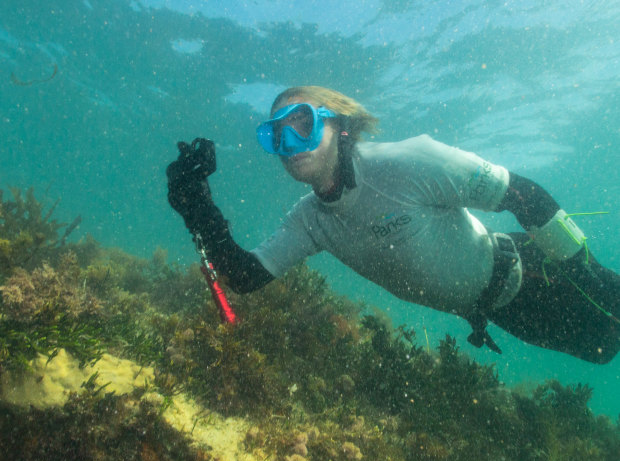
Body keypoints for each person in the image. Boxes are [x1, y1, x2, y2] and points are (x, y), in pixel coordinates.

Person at [166, 85, 620, 364]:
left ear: (341, 127)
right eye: (277, 135)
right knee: (602, 352)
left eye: (302, 124)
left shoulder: (410, 162)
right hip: (498, 313)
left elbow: (523, 194)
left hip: (540, 271)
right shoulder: (310, 220)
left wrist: (588, 272)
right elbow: (245, 276)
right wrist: (197, 206)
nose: (289, 143)